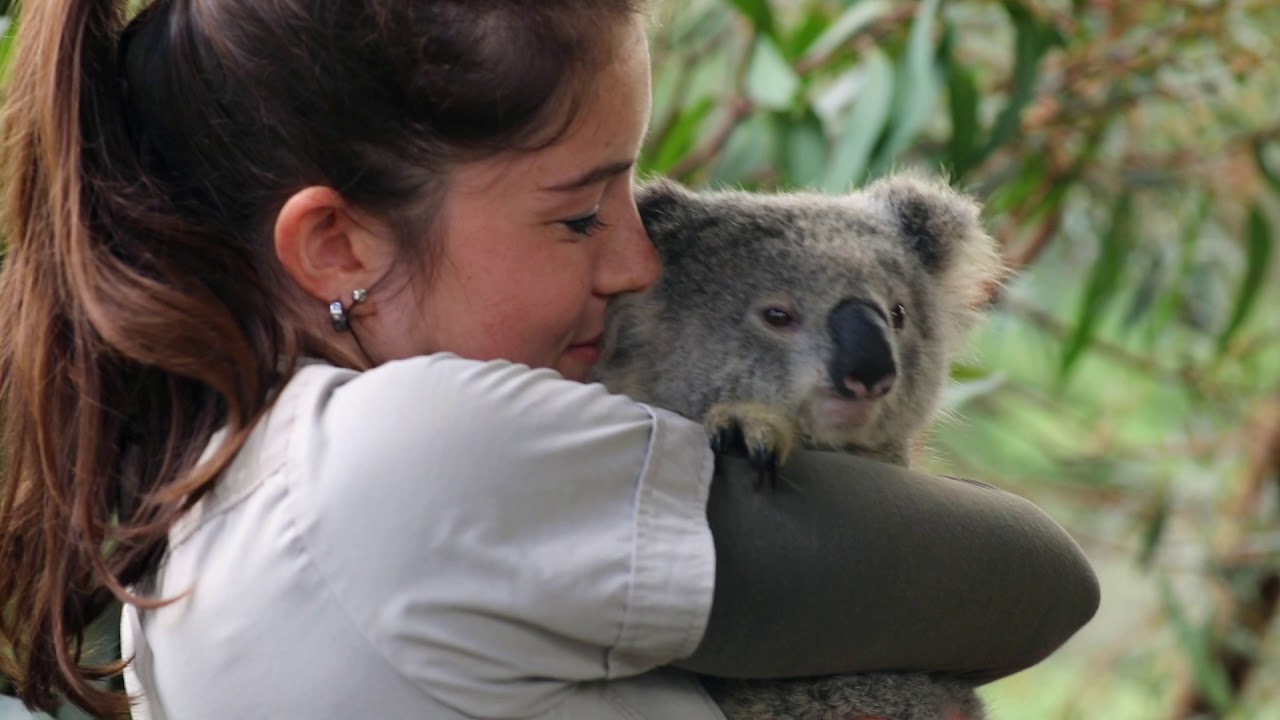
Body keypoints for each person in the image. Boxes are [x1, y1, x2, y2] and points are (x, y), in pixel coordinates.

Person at [0, 1, 1100, 718]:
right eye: (579, 217)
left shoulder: (216, 523)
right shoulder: (410, 453)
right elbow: (1035, 583)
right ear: (335, 245)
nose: (632, 262)